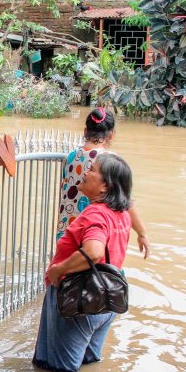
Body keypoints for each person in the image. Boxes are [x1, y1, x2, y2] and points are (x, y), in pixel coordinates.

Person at [34, 153, 134, 372]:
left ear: (104, 187)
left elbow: (94, 251)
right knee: (88, 365)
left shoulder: (95, 214)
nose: (86, 172)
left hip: (79, 300)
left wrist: (58, 270)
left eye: (93, 170)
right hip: (108, 299)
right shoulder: (122, 213)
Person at [56, 108, 150, 259]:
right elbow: (124, 201)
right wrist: (142, 233)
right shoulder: (109, 161)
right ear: (111, 134)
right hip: (93, 237)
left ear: (85, 131)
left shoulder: (71, 157)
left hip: (66, 235)